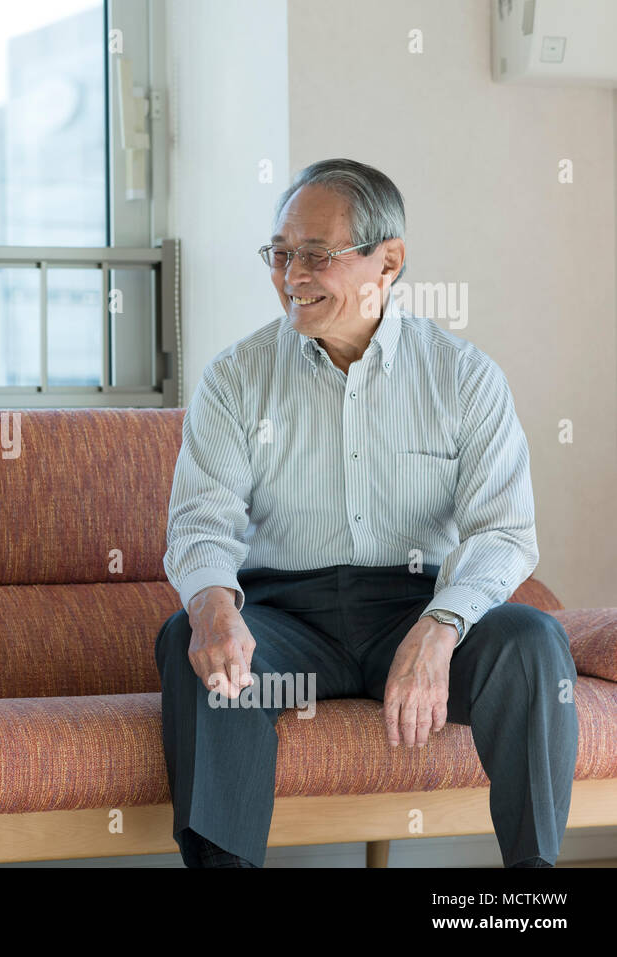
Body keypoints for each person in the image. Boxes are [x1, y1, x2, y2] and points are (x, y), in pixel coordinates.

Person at [155, 158, 578, 868]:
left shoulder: (463, 376)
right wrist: (212, 605)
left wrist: (441, 628)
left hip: (414, 609)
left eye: (317, 255)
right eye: (281, 254)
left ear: (390, 261)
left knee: (532, 641)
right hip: (285, 622)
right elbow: (202, 523)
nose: (292, 274)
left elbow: (503, 532)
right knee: (189, 642)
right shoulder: (235, 377)